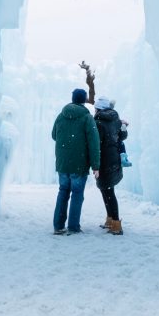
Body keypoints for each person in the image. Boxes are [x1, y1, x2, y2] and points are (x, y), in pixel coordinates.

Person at [51, 88, 100, 234]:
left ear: (72, 98)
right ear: (84, 100)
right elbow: (94, 142)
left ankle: (58, 226)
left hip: (63, 163)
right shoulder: (87, 117)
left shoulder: (61, 115)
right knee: (77, 193)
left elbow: (54, 135)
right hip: (79, 164)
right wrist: (96, 165)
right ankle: (73, 227)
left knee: (63, 192)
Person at [93, 96, 127, 235]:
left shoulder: (98, 121)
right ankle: (110, 219)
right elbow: (123, 136)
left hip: (104, 159)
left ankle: (117, 225)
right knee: (106, 189)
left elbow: (96, 143)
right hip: (114, 158)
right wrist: (122, 126)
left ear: (98, 109)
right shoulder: (115, 119)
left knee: (108, 191)